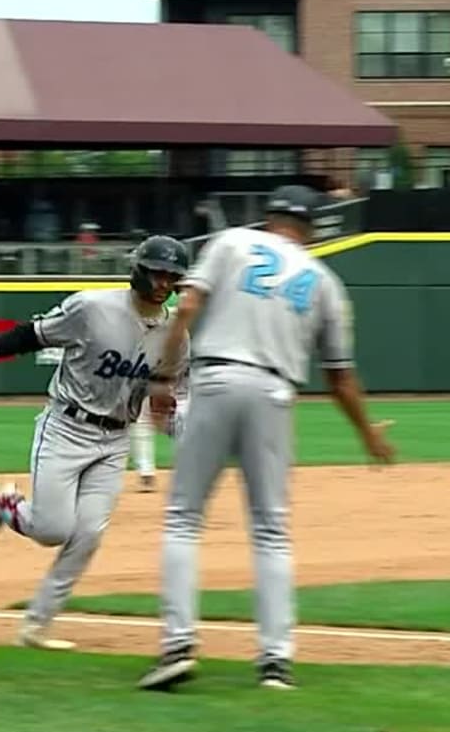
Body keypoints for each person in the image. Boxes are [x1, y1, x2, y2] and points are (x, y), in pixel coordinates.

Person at [135, 184, 396, 692]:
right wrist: (369, 435)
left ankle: (177, 645)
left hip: (215, 379)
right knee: (271, 531)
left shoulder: (231, 242)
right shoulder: (325, 282)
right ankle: (276, 662)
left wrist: (163, 378)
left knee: (184, 518)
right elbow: (340, 376)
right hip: (275, 392)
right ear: (313, 229)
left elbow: (186, 309)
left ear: (269, 217)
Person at [0, 235, 191, 651]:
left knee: (88, 534)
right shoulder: (93, 308)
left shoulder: (176, 337)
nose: (164, 282)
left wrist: (181, 427)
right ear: (139, 270)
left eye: (173, 276)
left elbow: (166, 398)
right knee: (52, 530)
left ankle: (37, 625)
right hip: (66, 428)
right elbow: (30, 335)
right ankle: (8, 506)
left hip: (114, 440)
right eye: (158, 272)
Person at [130, 287, 182, 491]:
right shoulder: (190, 296)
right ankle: (152, 472)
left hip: (159, 366)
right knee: (179, 418)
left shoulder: (141, 303)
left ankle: (146, 472)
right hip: (163, 368)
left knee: (144, 420)